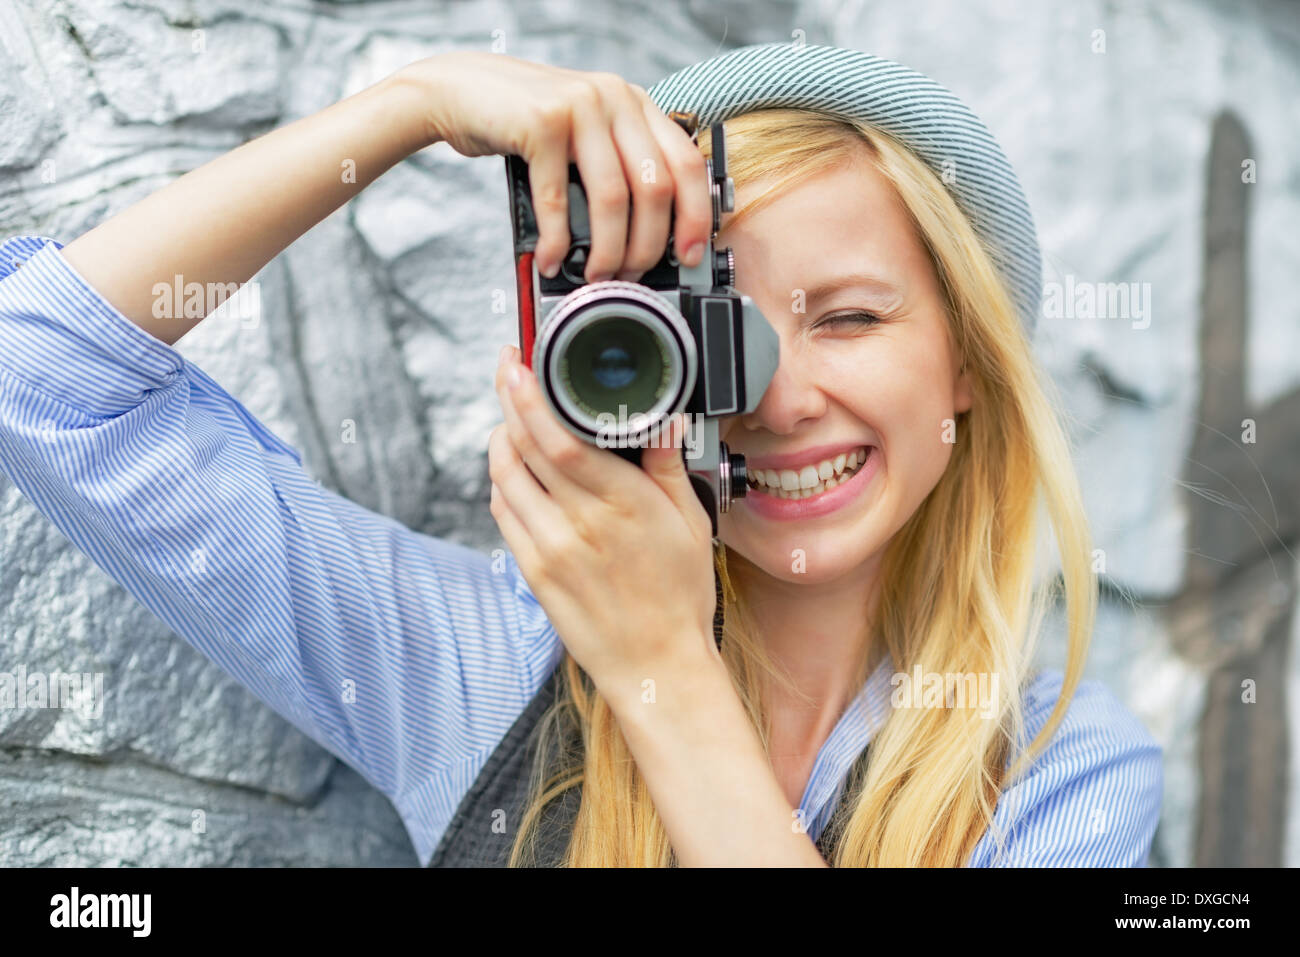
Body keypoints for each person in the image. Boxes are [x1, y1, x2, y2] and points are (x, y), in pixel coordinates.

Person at [0, 42, 1162, 867]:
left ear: (965, 365)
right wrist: (407, 107)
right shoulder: (476, 668)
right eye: (709, 330)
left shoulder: (1057, 769)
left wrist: (662, 662)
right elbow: (44, 372)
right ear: (612, 360)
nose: (779, 397)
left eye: (849, 318)